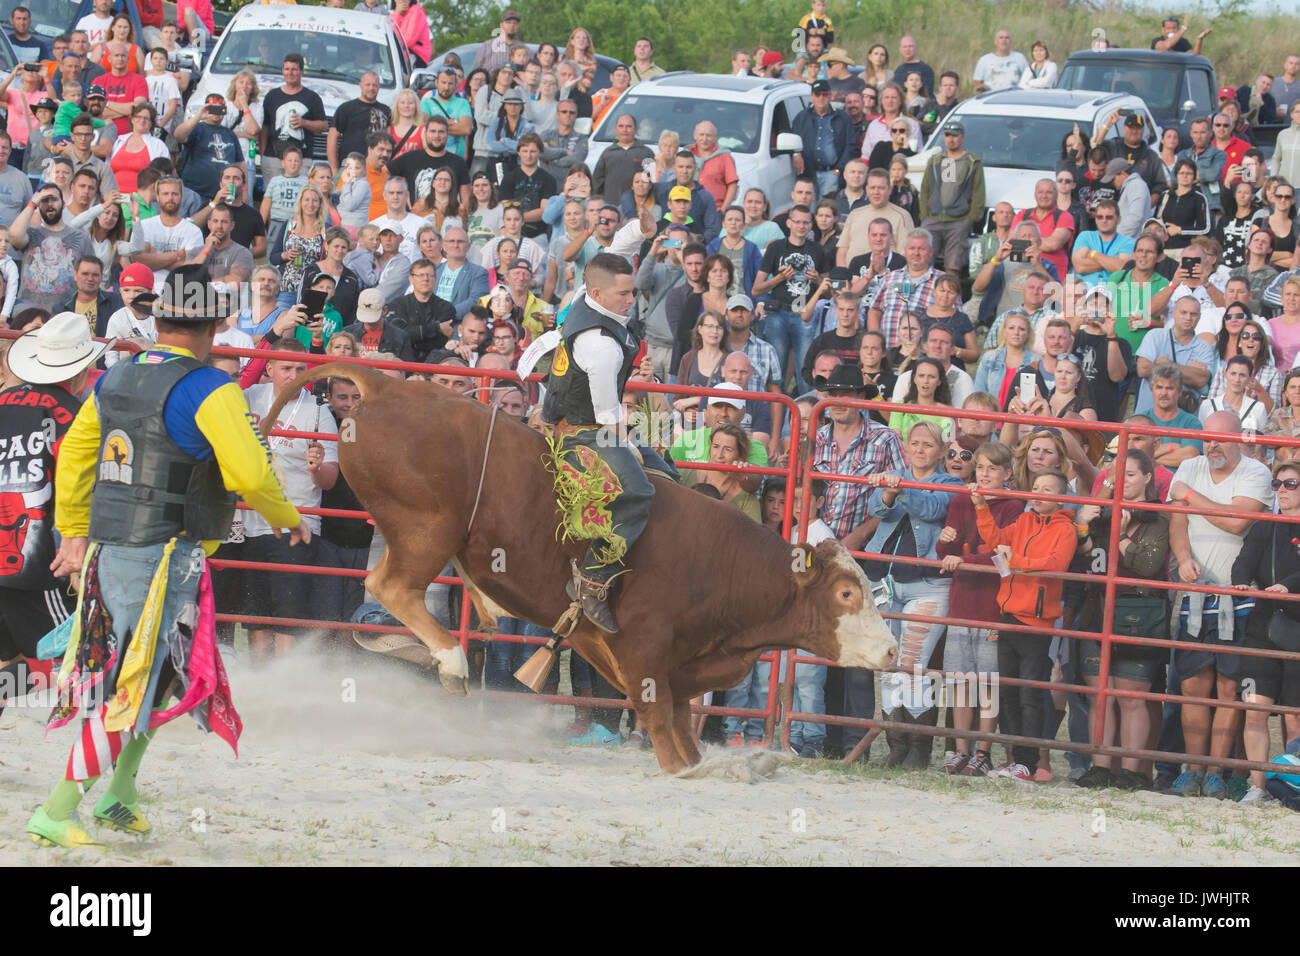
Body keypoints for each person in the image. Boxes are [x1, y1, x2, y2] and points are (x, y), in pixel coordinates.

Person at [30, 264, 308, 848]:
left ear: (158, 320)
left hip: (115, 548)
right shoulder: (211, 389)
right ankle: (57, 810)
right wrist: (286, 516)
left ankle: (119, 795)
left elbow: (78, 454)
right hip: (163, 555)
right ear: (212, 328)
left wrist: (75, 531)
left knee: (155, 677)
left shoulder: (115, 379)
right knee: (131, 681)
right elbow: (250, 472)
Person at [540, 253, 677, 632]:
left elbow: (619, 245)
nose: (631, 299)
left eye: (632, 292)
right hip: (584, 431)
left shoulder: (586, 296)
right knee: (638, 491)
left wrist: (639, 228)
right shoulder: (602, 347)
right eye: (624, 294)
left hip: (594, 419)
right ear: (598, 293)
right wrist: (630, 447)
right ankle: (592, 579)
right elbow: (609, 420)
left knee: (668, 472)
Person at [1163, 411, 1272, 797]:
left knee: (1228, 690)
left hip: (1238, 595)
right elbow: (1177, 520)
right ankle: (1193, 770)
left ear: (1238, 440)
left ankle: (1215, 772)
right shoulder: (1190, 465)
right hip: (1196, 593)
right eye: (1208, 439)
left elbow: (1237, 522)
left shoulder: (1255, 473)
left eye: (1220, 439)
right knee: (1193, 687)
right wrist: (1182, 557)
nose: (1213, 446)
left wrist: (1190, 496)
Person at [861, 419, 961, 768]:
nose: (920, 450)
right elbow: (877, 510)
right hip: (884, 581)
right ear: (906, 446)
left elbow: (933, 509)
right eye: (915, 443)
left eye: (928, 445)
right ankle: (897, 746)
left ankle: (918, 750)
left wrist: (899, 487)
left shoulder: (951, 482)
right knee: (890, 665)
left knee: (914, 667)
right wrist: (888, 491)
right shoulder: (895, 475)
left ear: (941, 451)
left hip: (927, 584)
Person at [974, 467, 1078, 781]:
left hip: (1037, 623)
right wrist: (981, 507)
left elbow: (1056, 565)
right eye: (1036, 487)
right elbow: (994, 540)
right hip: (1008, 616)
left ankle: (1030, 763)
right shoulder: (1023, 520)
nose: (1039, 494)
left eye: (1048, 490)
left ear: (1060, 497)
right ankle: (1016, 759)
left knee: (1030, 694)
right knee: (1008, 691)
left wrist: (1015, 559)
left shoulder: (1067, 529)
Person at [1231, 458, 1300, 804]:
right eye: (1277, 485)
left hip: (1297, 627)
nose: (1282, 491)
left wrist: (1287, 587)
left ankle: (1291, 787)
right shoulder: (1264, 524)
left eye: (1290, 484)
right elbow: (1244, 558)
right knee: (1255, 710)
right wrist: (1240, 582)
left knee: (1294, 715)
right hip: (1262, 625)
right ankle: (1257, 787)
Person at [752, 204, 827, 394]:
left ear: (811, 225)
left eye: (805, 222)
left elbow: (829, 290)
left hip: (805, 315)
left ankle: (807, 417)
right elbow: (756, 289)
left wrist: (817, 279)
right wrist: (779, 278)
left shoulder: (818, 250)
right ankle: (775, 421)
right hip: (779, 313)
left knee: (805, 373)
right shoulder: (776, 247)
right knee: (776, 372)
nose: (801, 226)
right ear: (788, 223)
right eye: (797, 222)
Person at [918, 120, 984, 277]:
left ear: (962, 137)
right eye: (947, 135)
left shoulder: (972, 162)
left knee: (953, 266)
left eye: (955, 135)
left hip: (958, 220)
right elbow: (925, 189)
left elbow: (978, 193)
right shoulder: (935, 160)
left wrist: (970, 219)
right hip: (933, 218)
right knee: (923, 262)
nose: (951, 139)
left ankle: (950, 298)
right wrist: (924, 216)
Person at [259, 54, 327, 185]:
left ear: (301, 71)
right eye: (287, 69)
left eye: (294, 69)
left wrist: (304, 122)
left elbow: (323, 125)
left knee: (300, 199)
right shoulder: (272, 96)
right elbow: (265, 127)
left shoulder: (312, 98)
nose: (290, 73)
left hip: (301, 158)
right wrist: (263, 154)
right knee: (272, 198)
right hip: (273, 158)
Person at [791, 80, 855, 200]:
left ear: (830, 96)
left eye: (825, 94)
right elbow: (793, 140)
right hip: (808, 174)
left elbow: (850, 145)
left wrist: (839, 169)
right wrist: (796, 154)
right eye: (817, 94)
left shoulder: (842, 118)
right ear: (812, 96)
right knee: (808, 210)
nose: (821, 98)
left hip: (831, 174)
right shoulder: (801, 118)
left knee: (827, 211)